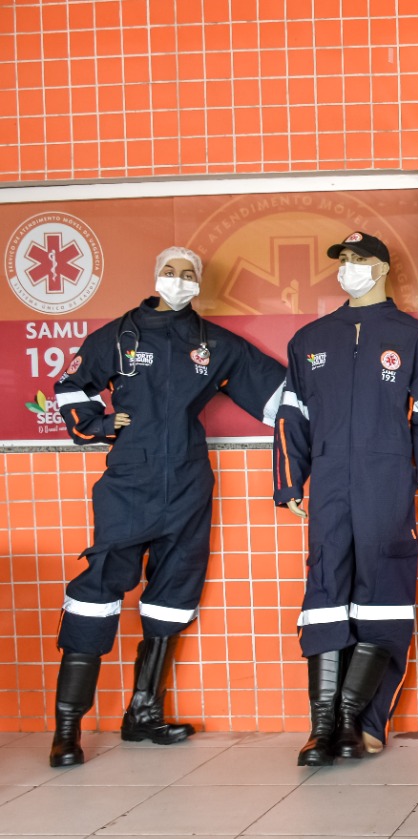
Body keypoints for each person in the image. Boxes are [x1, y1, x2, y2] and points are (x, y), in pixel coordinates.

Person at [50, 247, 286, 767]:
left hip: (187, 481)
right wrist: (97, 424)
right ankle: (67, 730)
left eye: (188, 274)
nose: (178, 280)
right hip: (128, 483)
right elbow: (69, 386)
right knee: (97, 590)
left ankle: (143, 713)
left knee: (173, 594)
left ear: (199, 282)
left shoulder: (213, 343)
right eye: (170, 272)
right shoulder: (118, 337)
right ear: (156, 276)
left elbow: (281, 397)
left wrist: (347, 411)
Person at [274, 231, 418, 767]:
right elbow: (292, 417)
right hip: (329, 483)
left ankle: (360, 722)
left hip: (386, 481)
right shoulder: (309, 339)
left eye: (358, 259)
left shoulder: (416, 339)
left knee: (383, 595)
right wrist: (289, 480)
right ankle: (322, 727)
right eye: (343, 260)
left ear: (382, 267)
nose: (348, 267)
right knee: (325, 593)